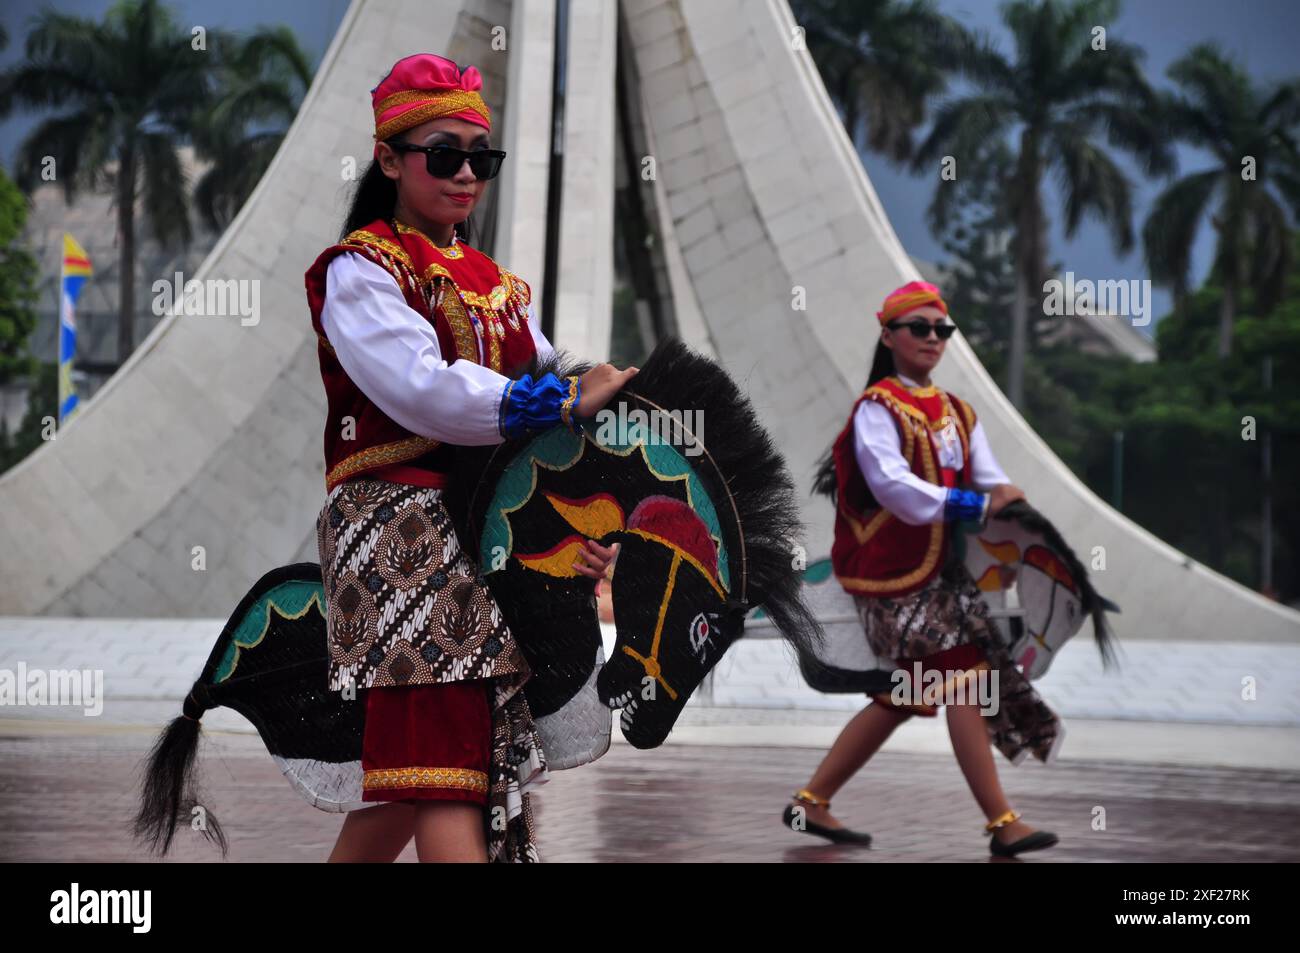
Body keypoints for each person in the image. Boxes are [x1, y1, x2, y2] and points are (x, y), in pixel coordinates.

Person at [304, 53, 636, 862]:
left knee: (427, 770)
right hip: (397, 530)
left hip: (481, 534)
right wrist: (554, 400)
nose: (465, 175)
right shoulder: (363, 269)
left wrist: (602, 482)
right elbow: (422, 389)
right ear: (388, 158)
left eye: (479, 159)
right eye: (442, 155)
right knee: (447, 767)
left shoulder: (498, 286)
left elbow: (556, 385)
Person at [784, 280, 1061, 858]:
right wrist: (974, 504)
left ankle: (811, 802)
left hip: (937, 578)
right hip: (886, 580)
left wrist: (1012, 502)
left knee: (906, 694)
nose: (933, 338)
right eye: (920, 328)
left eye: (942, 329)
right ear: (889, 336)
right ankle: (1001, 824)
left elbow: (989, 476)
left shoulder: (959, 411)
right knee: (964, 679)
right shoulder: (876, 410)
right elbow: (895, 489)